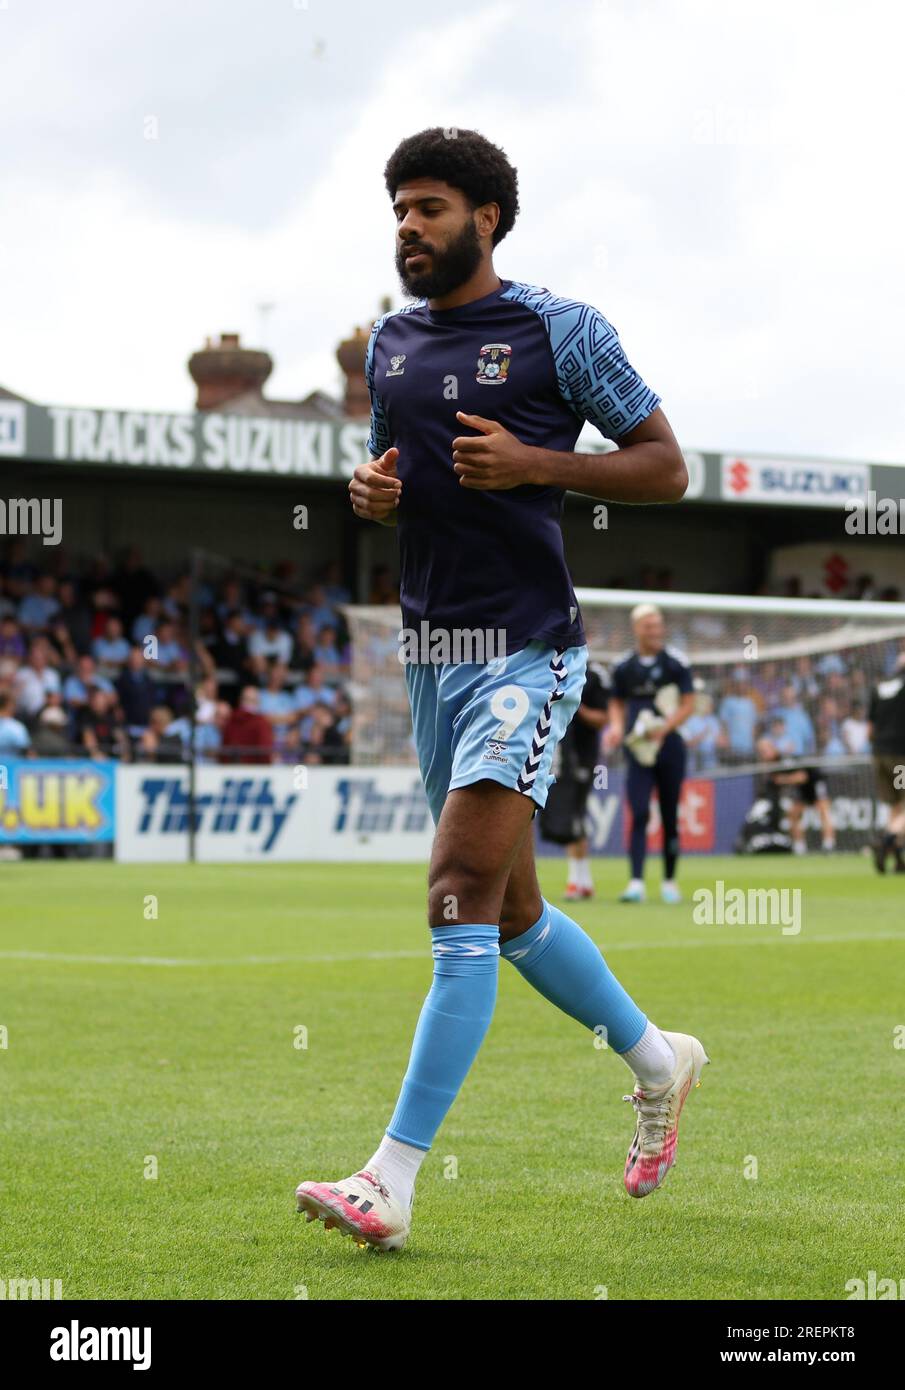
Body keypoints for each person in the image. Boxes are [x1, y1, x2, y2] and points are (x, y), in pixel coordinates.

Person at [296, 127, 708, 1252]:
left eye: (427, 208)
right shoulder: (388, 343)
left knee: (455, 888)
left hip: (528, 647)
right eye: (396, 209)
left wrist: (540, 463)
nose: (406, 228)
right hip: (434, 655)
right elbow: (392, 471)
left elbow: (667, 465)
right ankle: (656, 1057)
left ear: (485, 218)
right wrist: (373, 494)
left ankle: (389, 1177)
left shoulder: (558, 330)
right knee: (511, 909)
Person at [604, 605, 695, 904]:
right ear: (637, 629)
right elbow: (616, 702)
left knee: (670, 814)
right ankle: (636, 882)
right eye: (649, 626)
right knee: (639, 811)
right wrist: (617, 727)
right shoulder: (624, 666)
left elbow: (688, 703)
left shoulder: (676, 663)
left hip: (669, 747)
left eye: (658, 625)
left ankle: (669, 881)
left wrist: (664, 728)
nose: (655, 630)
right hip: (638, 748)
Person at [537, 662, 610, 900]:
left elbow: (602, 718)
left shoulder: (594, 675)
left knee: (575, 816)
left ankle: (578, 880)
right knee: (567, 817)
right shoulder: (546, 667)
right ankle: (581, 880)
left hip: (583, 758)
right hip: (556, 757)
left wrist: (573, 705)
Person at [868, 653, 905, 873]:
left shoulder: (880, 687)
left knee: (896, 807)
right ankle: (887, 841)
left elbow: (869, 730)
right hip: (901, 754)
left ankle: (899, 860)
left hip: (879, 753)